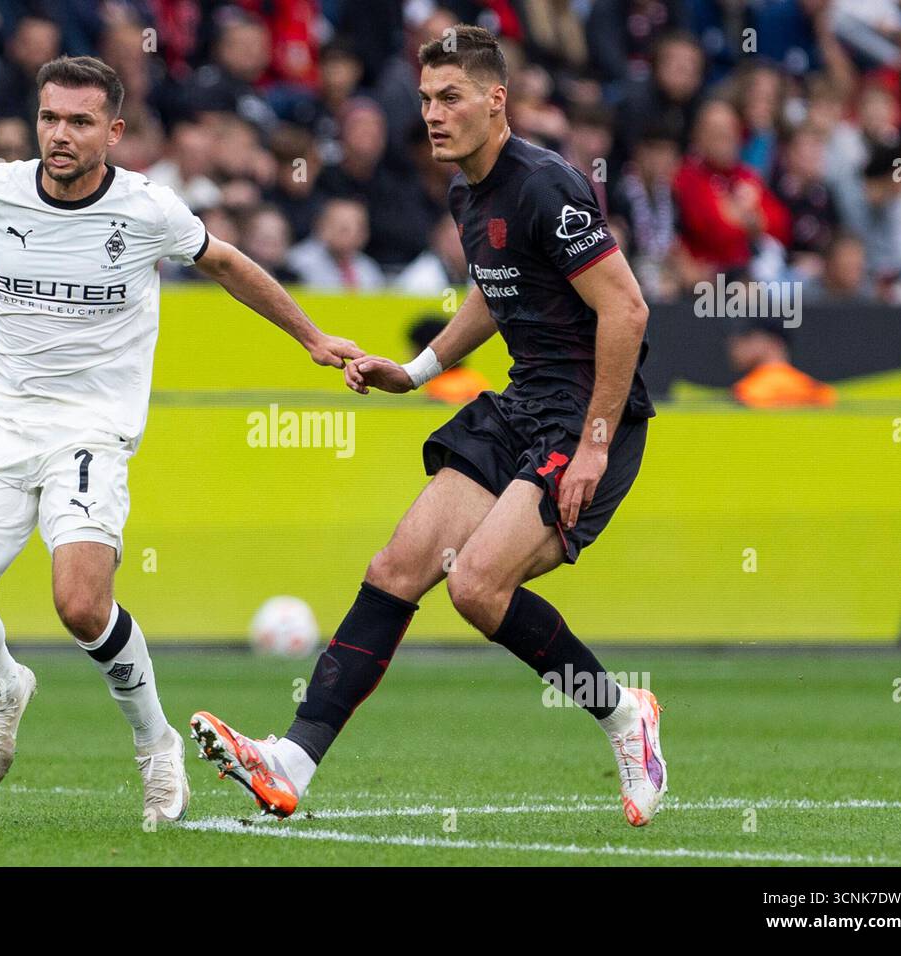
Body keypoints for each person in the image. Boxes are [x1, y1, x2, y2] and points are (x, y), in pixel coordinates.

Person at [0, 55, 362, 824]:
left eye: (77, 122)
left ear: (113, 130)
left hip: (92, 431)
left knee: (79, 603)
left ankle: (156, 744)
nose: (59, 135)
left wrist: (310, 337)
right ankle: (6, 684)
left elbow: (229, 265)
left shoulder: (147, 210)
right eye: (48, 118)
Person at [189, 26, 667, 828]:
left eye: (450, 97)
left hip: (589, 420)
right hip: (521, 404)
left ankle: (624, 716)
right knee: (399, 564)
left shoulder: (546, 184)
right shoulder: (465, 191)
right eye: (424, 99)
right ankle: (291, 762)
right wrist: (414, 371)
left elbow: (626, 307)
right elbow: (497, 286)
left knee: (478, 588)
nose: (433, 114)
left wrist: (590, 444)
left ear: (496, 100)